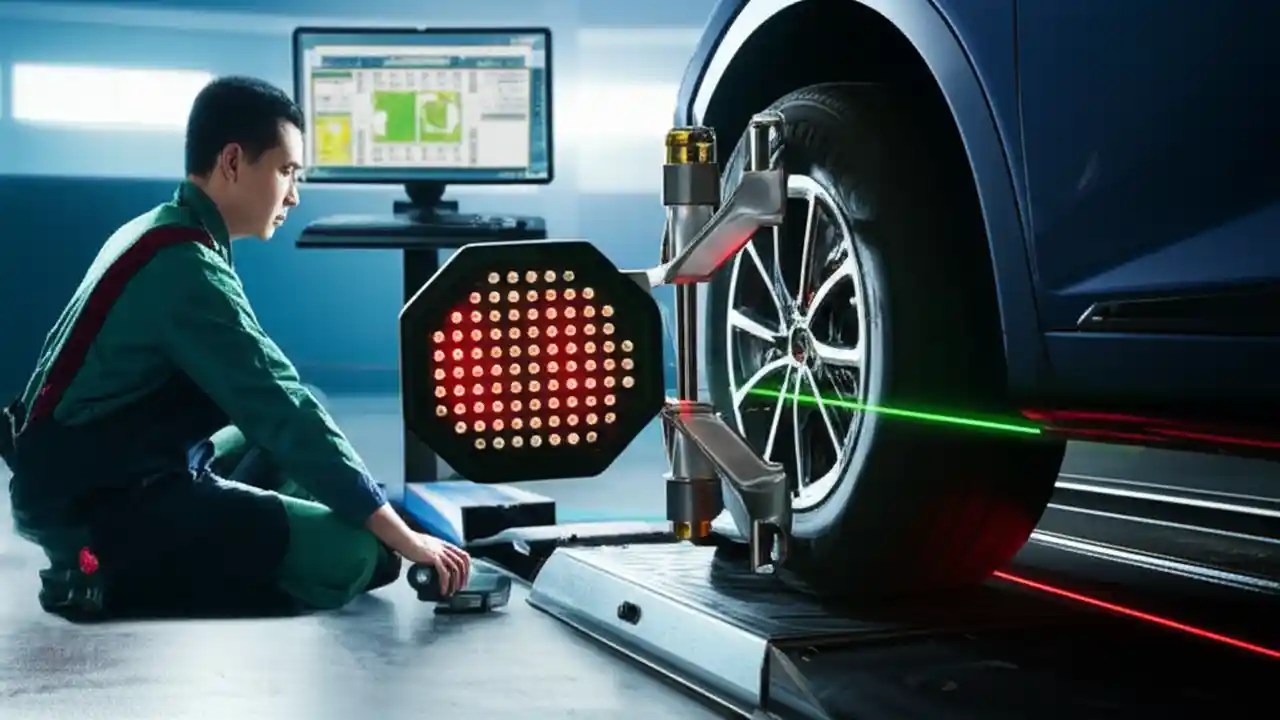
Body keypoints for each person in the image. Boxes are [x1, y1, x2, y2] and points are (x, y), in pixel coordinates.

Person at [0, 75, 470, 620]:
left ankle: (236, 523)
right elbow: (283, 407)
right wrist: (400, 534)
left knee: (290, 438)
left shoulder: (159, 229)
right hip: (101, 502)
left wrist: (364, 502)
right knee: (360, 554)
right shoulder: (186, 268)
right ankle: (103, 575)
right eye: (286, 171)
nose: (294, 194)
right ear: (232, 162)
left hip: (102, 468)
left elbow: (276, 406)